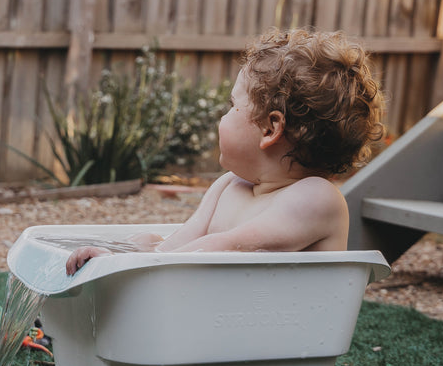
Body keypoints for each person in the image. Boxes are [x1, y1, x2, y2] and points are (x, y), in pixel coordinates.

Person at [66, 28, 385, 275]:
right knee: (143, 241)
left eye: (233, 106)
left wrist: (126, 266)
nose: (223, 116)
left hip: (285, 342)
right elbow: (177, 246)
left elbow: (225, 248)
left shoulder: (317, 198)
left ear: (270, 129)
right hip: (225, 325)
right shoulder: (228, 185)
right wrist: (120, 255)